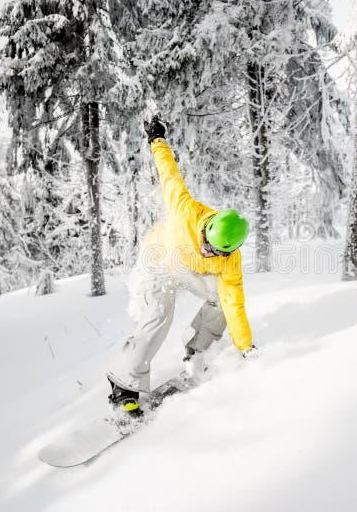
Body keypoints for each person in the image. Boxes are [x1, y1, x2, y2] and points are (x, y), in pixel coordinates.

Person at [105, 116, 255, 418]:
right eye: (207, 241)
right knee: (159, 314)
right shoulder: (185, 209)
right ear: (207, 226)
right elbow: (168, 172)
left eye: (215, 251)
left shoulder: (230, 261)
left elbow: (234, 303)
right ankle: (123, 386)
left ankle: (197, 349)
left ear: (229, 250)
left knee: (222, 299)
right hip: (157, 263)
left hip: (188, 271)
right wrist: (157, 140)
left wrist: (246, 347)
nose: (207, 249)